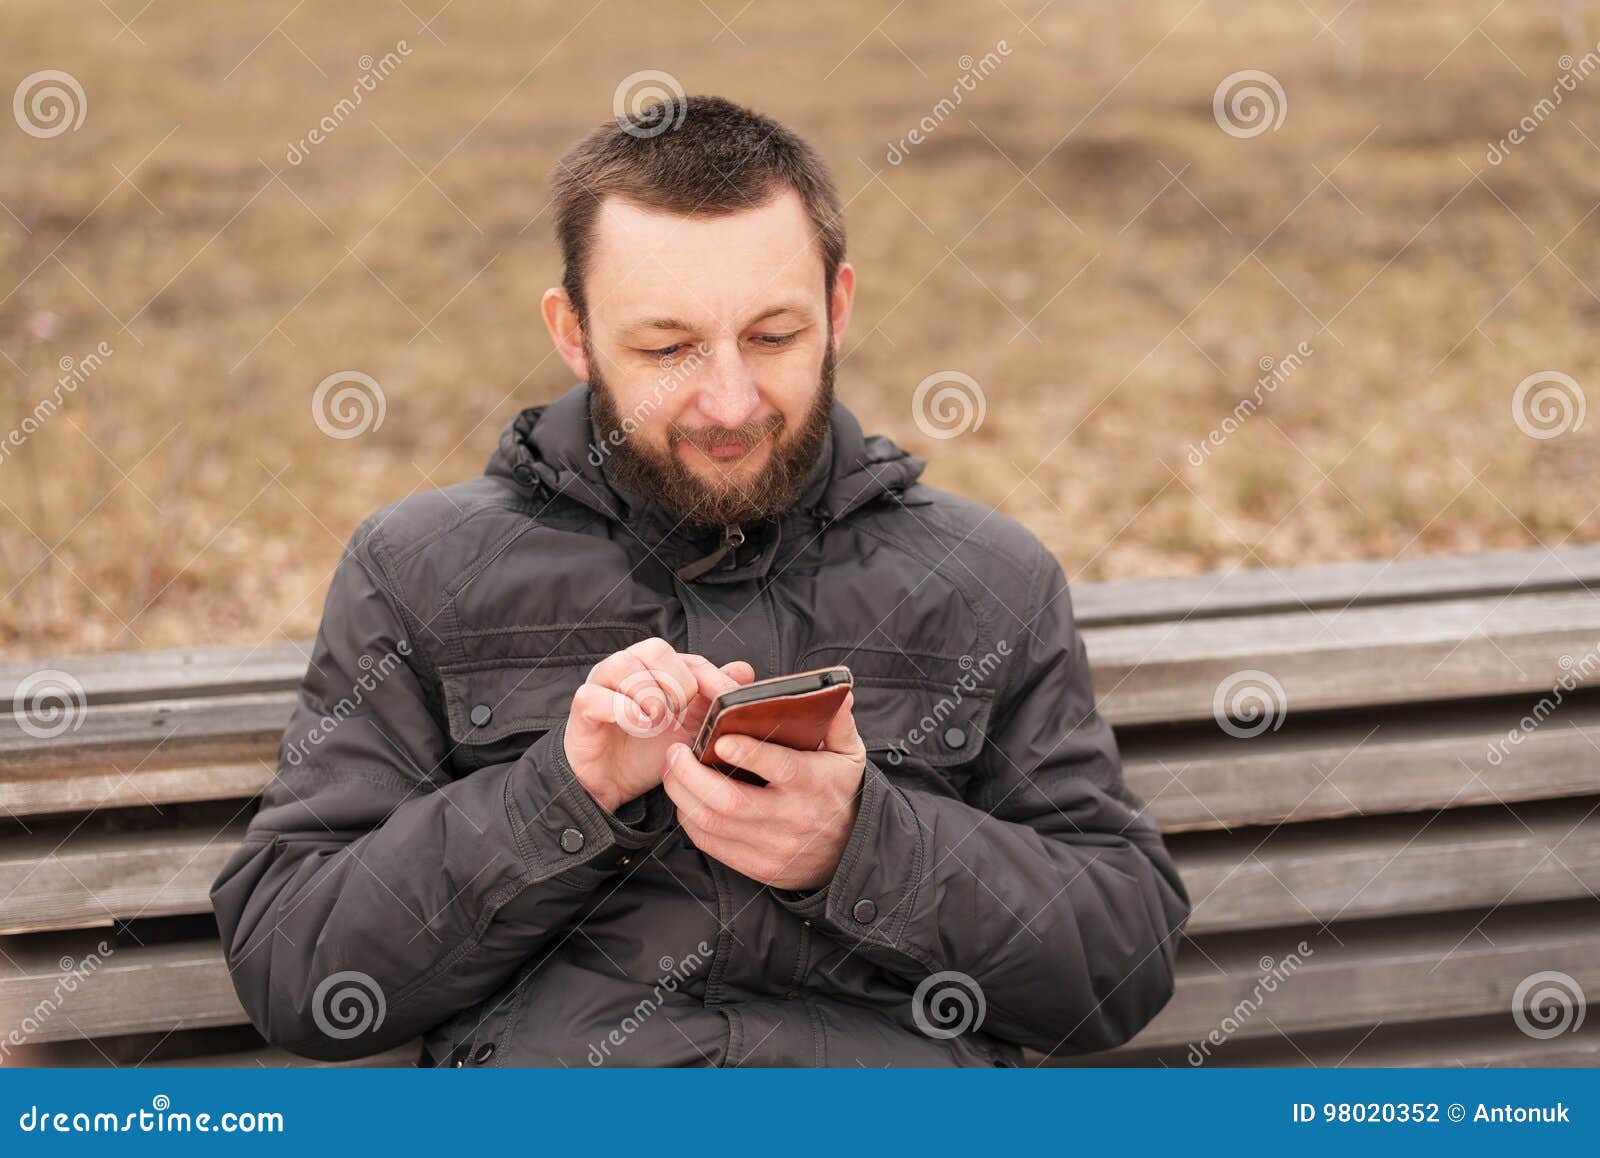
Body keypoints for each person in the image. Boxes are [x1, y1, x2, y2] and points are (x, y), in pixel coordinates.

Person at [210, 94, 1190, 1067]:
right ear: (574, 331)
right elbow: (297, 970)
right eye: (666, 348)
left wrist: (862, 847)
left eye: (772, 338)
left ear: (837, 310)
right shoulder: (420, 566)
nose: (728, 401)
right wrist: (567, 790)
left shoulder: (988, 580)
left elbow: (1122, 965)